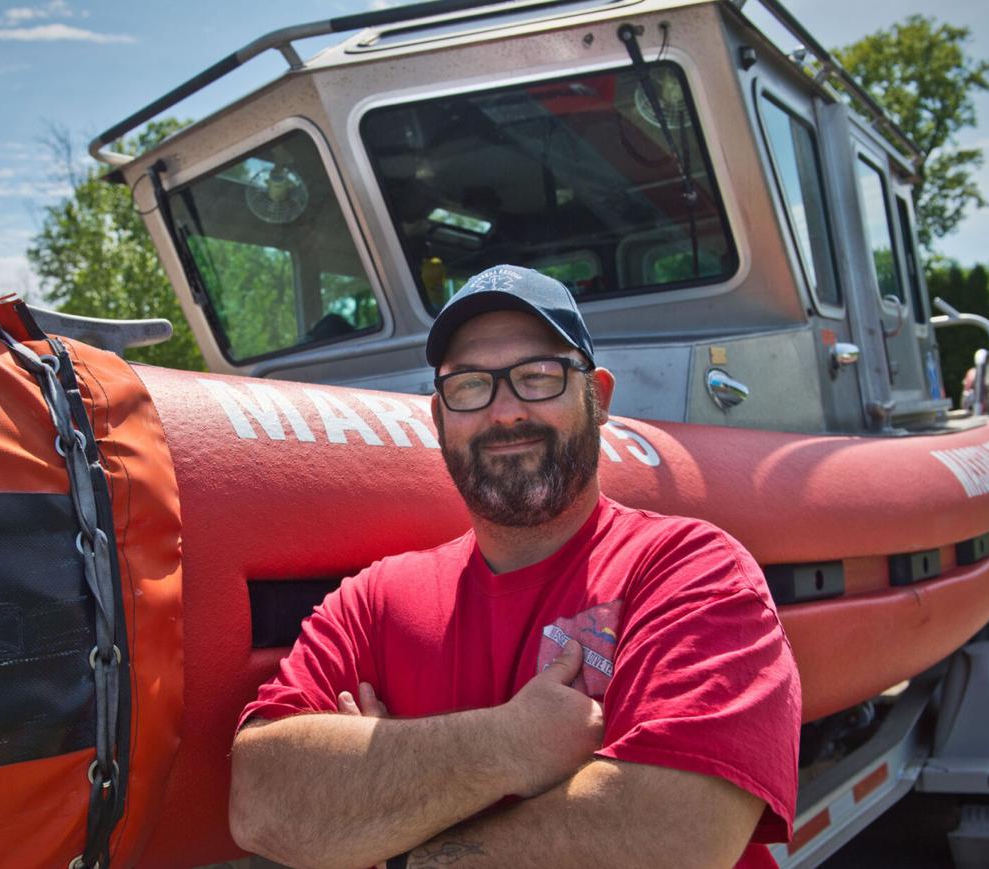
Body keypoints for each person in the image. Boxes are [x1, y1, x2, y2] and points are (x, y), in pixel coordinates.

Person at [229, 265, 801, 869]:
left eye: (537, 377)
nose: (504, 413)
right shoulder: (373, 602)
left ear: (598, 398)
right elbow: (261, 800)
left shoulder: (691, 572)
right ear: (439, 417)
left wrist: (391, 833)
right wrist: (514, 743)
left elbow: (680, 835)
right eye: (471, 386)